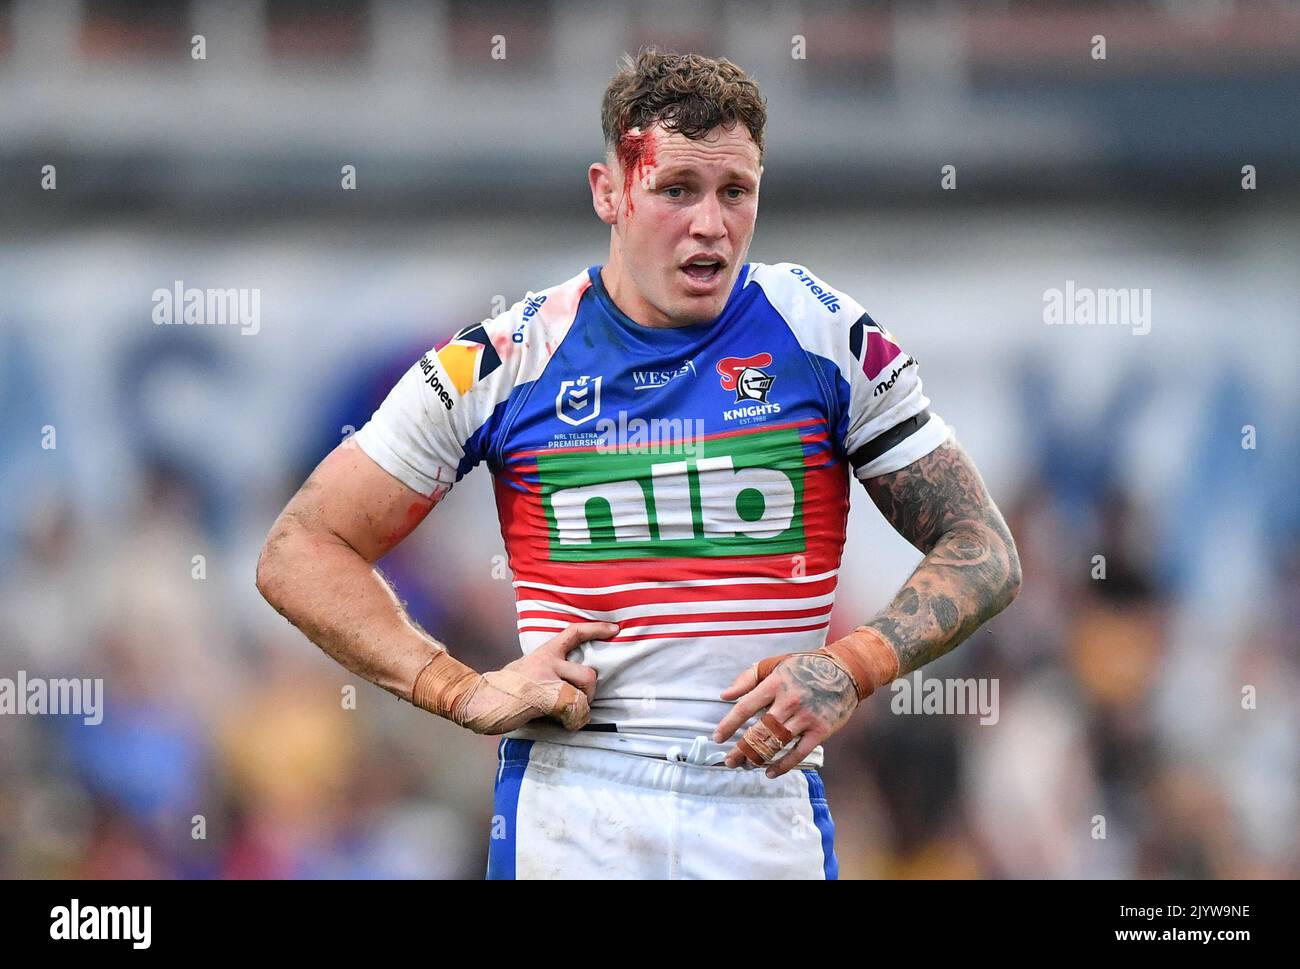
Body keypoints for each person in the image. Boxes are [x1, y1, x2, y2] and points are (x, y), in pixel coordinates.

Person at [256, 49, 1021, 879]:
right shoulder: (517, 354)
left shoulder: (822, 333)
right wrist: (460, 689)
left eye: (736, 191)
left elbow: (982, 546)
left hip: (759, 799)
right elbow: (301, 549)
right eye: (677, 189)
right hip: (575, 801)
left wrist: (852, 664)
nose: (711, 224)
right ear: (609, 191)